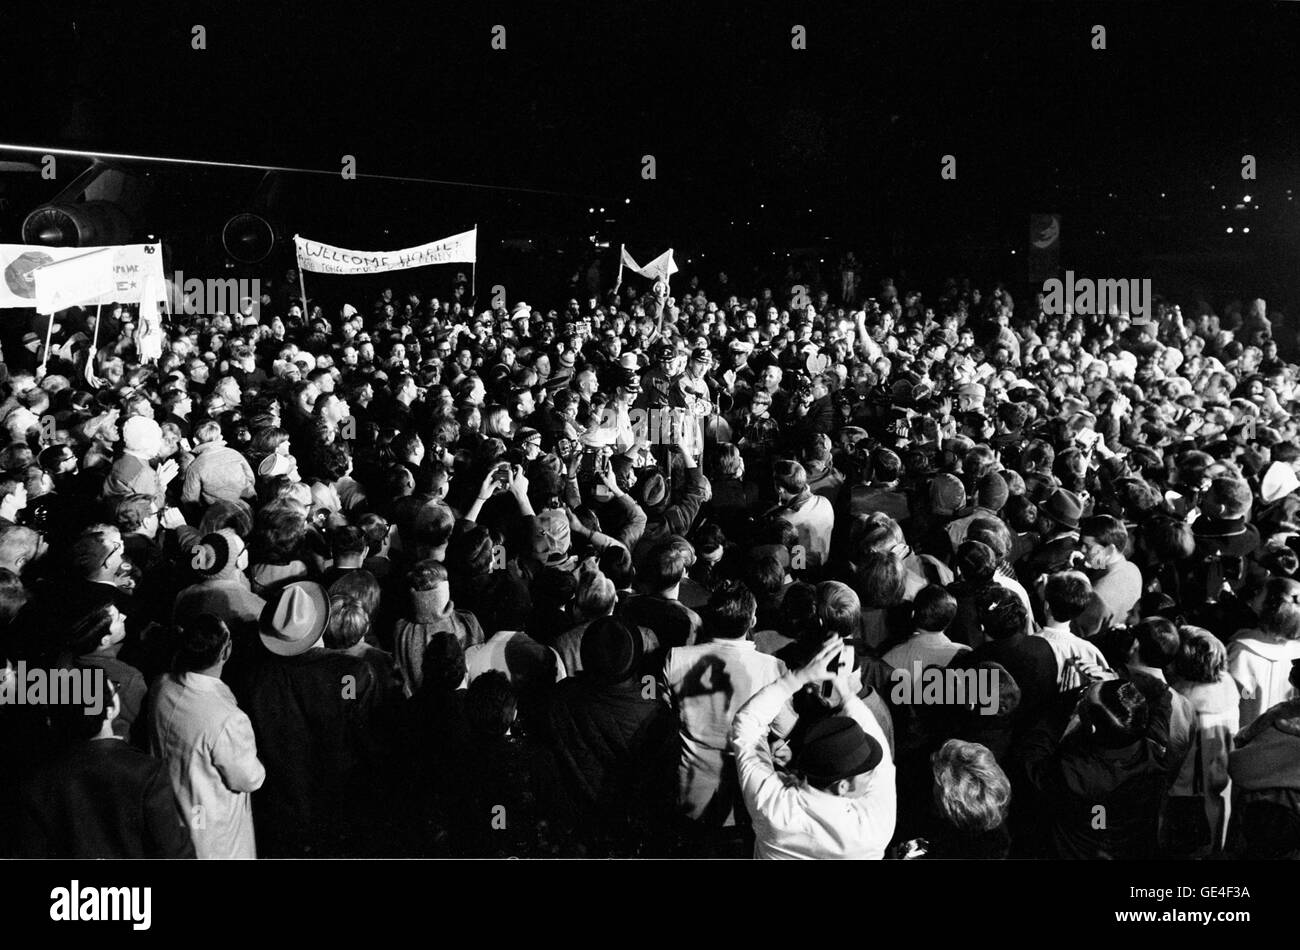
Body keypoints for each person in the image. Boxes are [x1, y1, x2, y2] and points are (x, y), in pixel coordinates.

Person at [730, 637, 896, 859]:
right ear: (843, 786)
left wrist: (799, 677)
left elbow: (747, 723)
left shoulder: (772, 807)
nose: (872, 773)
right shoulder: (873, 828)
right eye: (866, 770)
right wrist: (846, 692)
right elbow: (884, 766)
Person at [663, 580, 792, 835]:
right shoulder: (773, 668)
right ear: (752, 622)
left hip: (692, 790)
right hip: (751, 792)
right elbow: (785, 726)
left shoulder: (676, 657)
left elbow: (664, 716)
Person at [17, 682, 195, 858]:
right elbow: (174, 852)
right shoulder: (147, 773)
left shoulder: (37, 782)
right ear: (111, 709)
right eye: (115, 689)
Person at [149, 615, 266, 858]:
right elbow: (248, 779)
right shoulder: (228, 719)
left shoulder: (161, 686)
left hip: (172, 812)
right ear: (226, 652)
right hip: (215, 832)